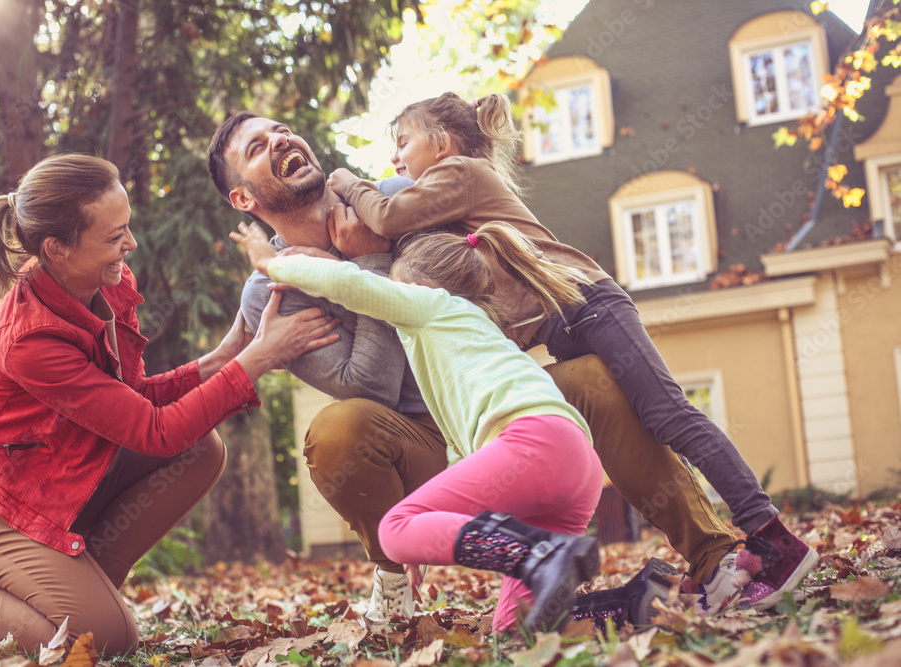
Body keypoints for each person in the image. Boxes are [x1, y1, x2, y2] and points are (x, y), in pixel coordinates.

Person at [206, 111, 745, 628]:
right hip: (425, 443)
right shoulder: (271, 292)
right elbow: (367, 387)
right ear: (242, 198)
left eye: (281, 131)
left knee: (596, 379)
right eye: (257, 147)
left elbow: (486, 267)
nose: (279, 140)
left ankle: (714, 555)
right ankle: (394, 572)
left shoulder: (394, 201)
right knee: (336, 431)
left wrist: (373, 258)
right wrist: (367, 265)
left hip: (499, 415)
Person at [324, 91, 818, 610]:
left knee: (668, 414)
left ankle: (773, 538)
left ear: (441, 143)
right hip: (562, 328)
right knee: (645, 416)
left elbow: (385, 214)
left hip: (587, 301)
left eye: (403, 142)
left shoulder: (462, 172)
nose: (396, 157)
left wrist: (345, 181)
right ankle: (711, 561)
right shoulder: (450, 208)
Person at [0, 154, 339, 656]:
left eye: (126, 229)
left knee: (201, 450)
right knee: (101, 641)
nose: (129, 245)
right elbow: (156, 433)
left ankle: (75, 596)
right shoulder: (29, 338)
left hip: (55, 479)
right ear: (57, 249)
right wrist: (259, 359)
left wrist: (223, 359)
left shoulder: (105, 282)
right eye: (114, 237)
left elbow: (133, 406)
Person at [233, 218, 674, 633]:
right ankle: (632, 602)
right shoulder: (478, 333)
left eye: (394, 287)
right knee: (515, 624)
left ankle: (539, 553)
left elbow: (349, 285)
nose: (389, 298)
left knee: (392, 529)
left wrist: (268, 261)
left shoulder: (432, 305)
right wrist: (428, 534)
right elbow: (465, 453)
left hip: (534, 444)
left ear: (416, 286)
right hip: (574, 462)